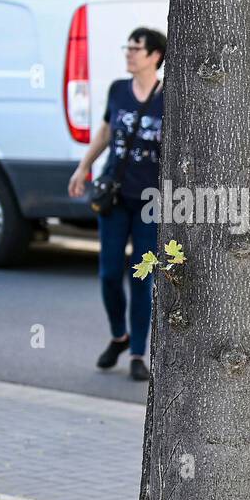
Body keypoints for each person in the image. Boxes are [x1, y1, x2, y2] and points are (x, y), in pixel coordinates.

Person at [68, 27, 166, 382]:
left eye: (135, 48)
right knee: (109, 274)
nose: (129, 53)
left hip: (149, 204)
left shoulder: (169, 96)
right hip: (115, 198)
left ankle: (138, 352)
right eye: (128, 47)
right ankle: (118, 336)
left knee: (142, 278)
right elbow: (107, 133)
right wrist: (84, 167)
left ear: (154, 55)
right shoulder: (118, 90)